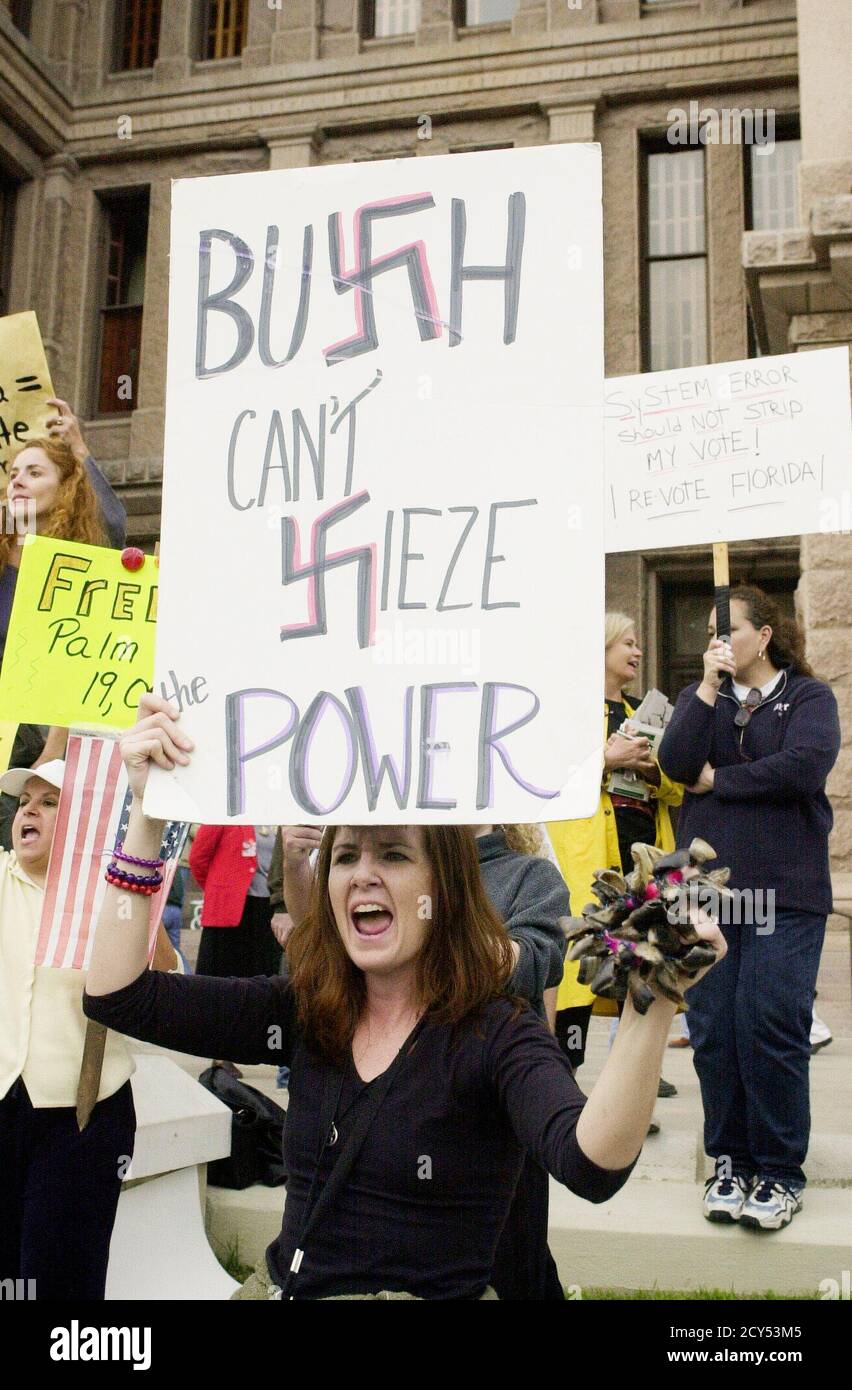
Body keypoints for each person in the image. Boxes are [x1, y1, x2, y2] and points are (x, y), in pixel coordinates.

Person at [83, 694, 725, 1301]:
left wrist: (653, 1000)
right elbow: (116, 997)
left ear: (442, 887)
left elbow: (592, 1164)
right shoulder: (305, 1008)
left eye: (393, 854)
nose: (363, 873)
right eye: (346, 857)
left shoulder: (496, 1032)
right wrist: (146, 816)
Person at [658, 586, 841, 1231]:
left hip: (782, 892)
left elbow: (802, 767)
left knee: (769, 1018)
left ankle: (779, 1170)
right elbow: (676, 764)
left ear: (763, 636)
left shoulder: (808, 698)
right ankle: (729, 1159)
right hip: (707, 892)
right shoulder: (699, 698)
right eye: (709, 633)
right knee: (713, 1027)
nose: (716, 641)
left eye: (727, 630)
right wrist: (706, 690)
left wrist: (723, 781)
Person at [0, 759, 149, 1299]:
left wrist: (131, 909)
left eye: (48, 802)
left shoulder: (112, 895)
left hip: (83, 1116)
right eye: (22, 804)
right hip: (4, 1108)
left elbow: (165, 976)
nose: (29, 812)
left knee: (59, 1279)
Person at [545, 613, 683, 1095]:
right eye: (628, 642)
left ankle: (631, 1078)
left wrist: (649, 771)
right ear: (600, 649)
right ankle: (564, 1078)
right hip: (588, 859)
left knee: (640, 963)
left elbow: (674, 788)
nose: (638, 652)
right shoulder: (567, 712)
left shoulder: (640, 712)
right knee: (581, 967)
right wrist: (606, 760)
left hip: (640, 856)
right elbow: (545, 778)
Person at [0, 400, 127, 849]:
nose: (17, 479)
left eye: (35, 473)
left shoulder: (76, 565)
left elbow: (111, 524)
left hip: (37, 752)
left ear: (66, 489)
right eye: (14, 471)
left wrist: (51, 754)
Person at [189, 822, 282, 1076]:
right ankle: (221, 1055)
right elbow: (199, 858)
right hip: (230, 912)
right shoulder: (226, 813)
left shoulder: (279, 819)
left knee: (258, 982)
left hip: (266, 911)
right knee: (222, 983)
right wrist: (221, 890)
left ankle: (244, 1047)